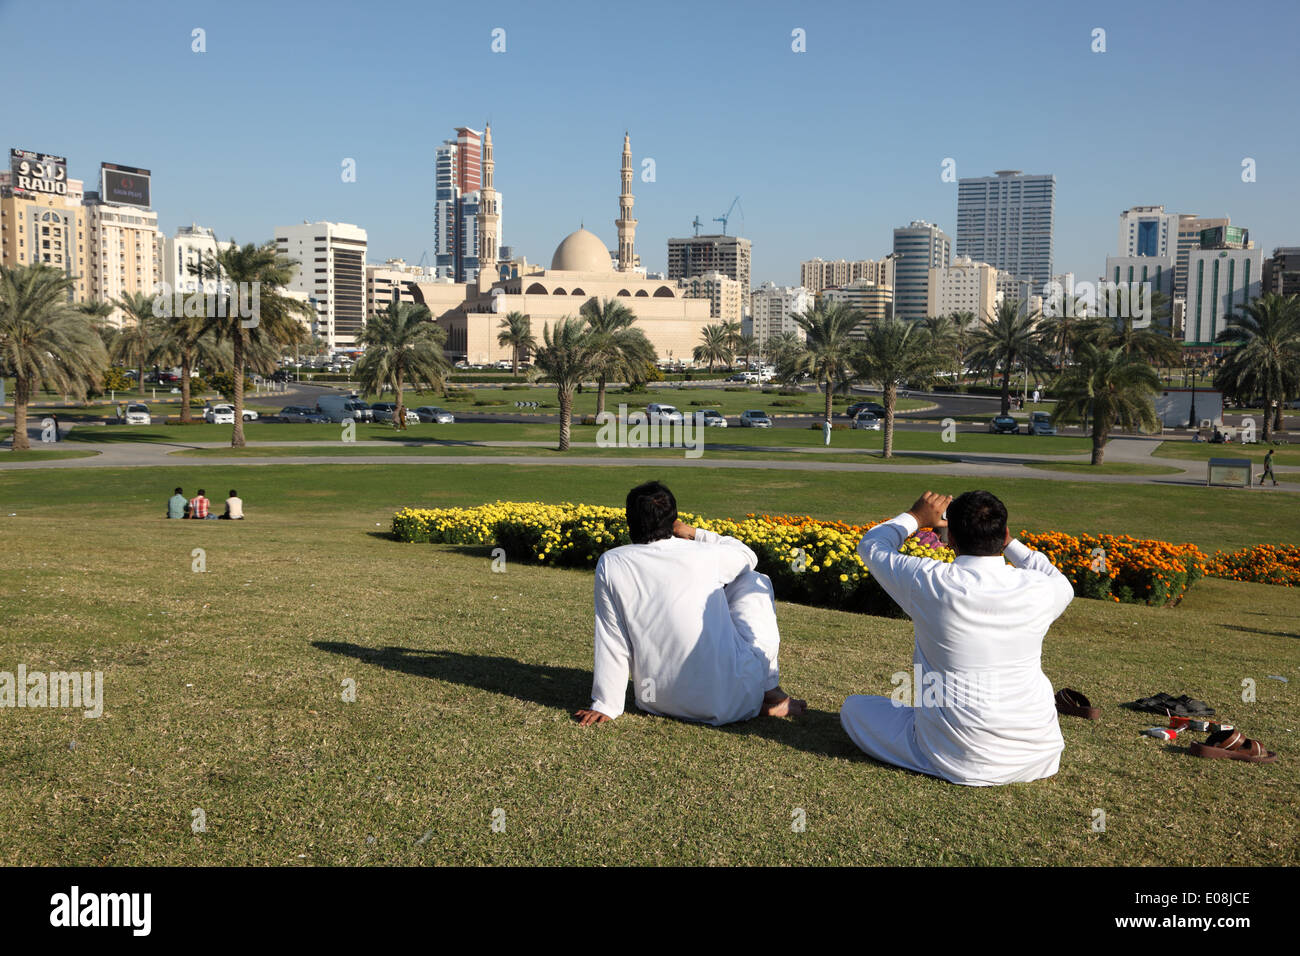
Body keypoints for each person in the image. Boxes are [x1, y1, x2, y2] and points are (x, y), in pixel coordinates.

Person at [840, 490, 1074, 786]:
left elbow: (872, 545)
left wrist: (915, 517)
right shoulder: (1038, 587)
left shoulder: (930, 580)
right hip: (1040, 755)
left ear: (950, 539)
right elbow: (1060, 581)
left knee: (854, 708)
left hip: (958, 758)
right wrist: (1011, 544)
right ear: (1001, 533)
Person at [575, 480, 805, 728]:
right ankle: (769, 689)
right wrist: (696, 533)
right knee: (754, 579)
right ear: (674, 521)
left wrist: (606, 704)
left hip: (655, 700)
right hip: (726, 704)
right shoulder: (704, 554)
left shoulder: (611, 562)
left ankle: (750, 698)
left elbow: (613, 636)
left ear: (630, 521)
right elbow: (749, 557)